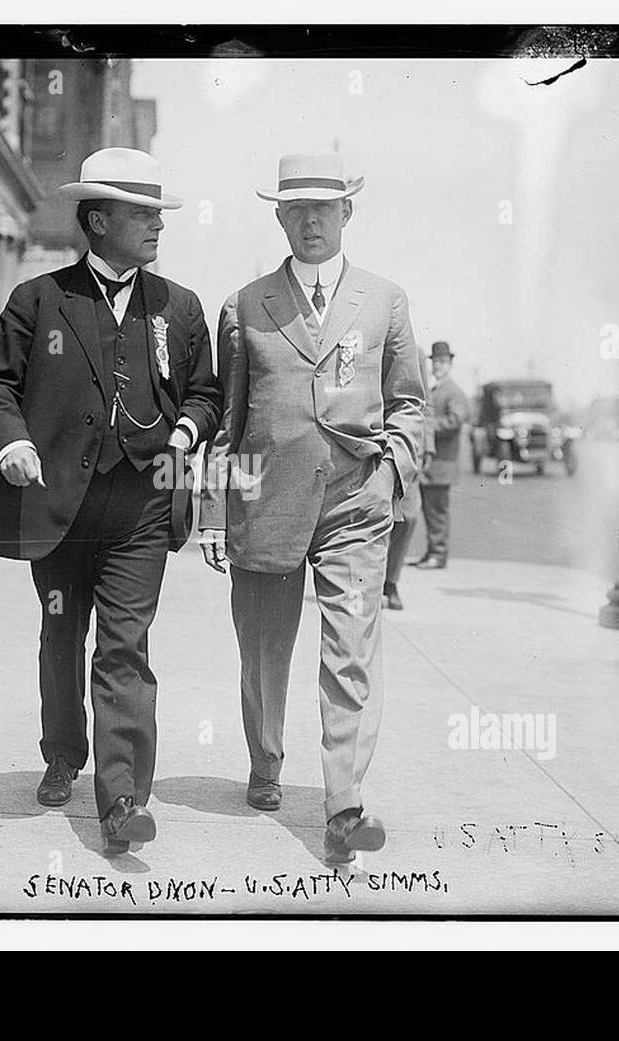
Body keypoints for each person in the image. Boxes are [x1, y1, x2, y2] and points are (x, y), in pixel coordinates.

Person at [0, 147, 222, 855]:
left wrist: (186, 430)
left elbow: (206, 393)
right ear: (98, 220)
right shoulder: (39, 299)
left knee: (124, 647)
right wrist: (12, 443)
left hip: (141, 507)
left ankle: (124, 802)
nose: (158, 226)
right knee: (61, 634)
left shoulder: (180, 306)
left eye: (159, 214)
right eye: (143, 215)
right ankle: (62, 753)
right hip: (57, 506)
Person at [200, 153, 429, 864]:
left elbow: (410, 403)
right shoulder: (245, 305)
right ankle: (266, 761)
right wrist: (214, 511)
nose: (310, 222)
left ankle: (343, 804)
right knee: (263, 651)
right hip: (266, 501)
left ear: (346, 212)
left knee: (351, 652)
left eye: (323, 209)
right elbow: (229, 420)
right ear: (279, 217)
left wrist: (391, 474)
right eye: (296, 209)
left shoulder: (385, 300)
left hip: (356, 503)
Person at [410, 341, 468, 570]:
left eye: (442, 362)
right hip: (434, 465)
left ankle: (438, 554)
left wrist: (427, 426)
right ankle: (433, 552)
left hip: (443, 463)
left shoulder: (453, 391)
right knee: (431, 510)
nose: (437, 366)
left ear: (450, 364)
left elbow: (455, 421)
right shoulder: (436, 389)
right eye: (435, 361)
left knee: (437, 511)